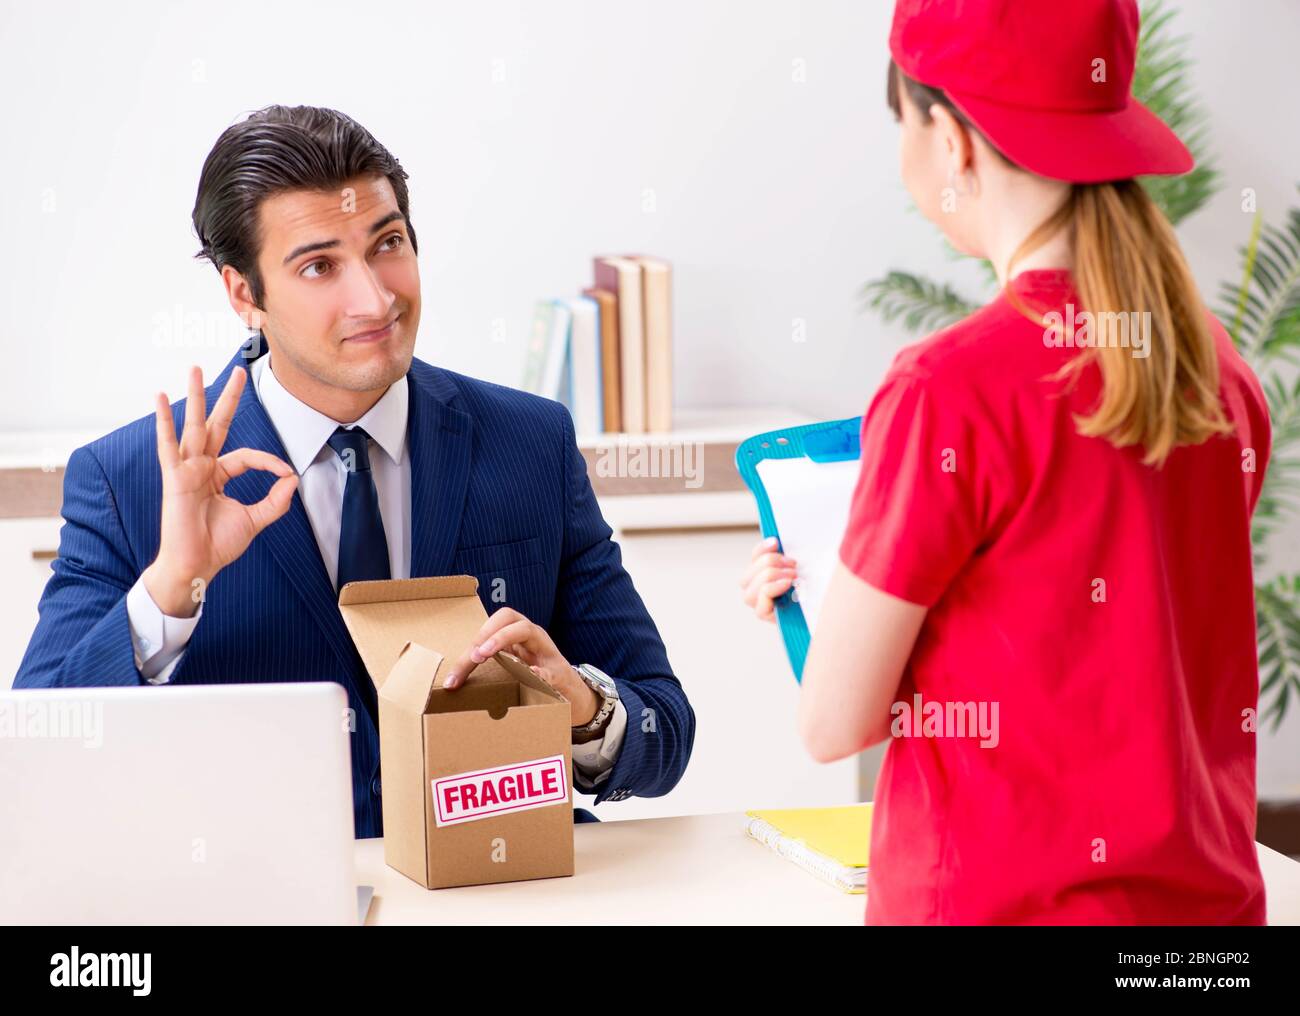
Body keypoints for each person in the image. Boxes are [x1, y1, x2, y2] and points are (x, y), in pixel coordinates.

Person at [16, 105, 694, 835]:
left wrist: (581, 708)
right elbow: (41, 755)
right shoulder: (128, 481)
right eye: (319, 265)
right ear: (244, 293)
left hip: (499, 888)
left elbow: (665, 732)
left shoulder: (530, 441)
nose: (375, 299)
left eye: (388, 244)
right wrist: (169, 589)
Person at [741, 0, 1269, 924]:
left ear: (950, 141)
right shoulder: (1219, 375)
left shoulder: (949, 390)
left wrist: (816, 600)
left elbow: (835, 724)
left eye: (901, 123)